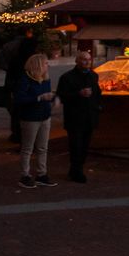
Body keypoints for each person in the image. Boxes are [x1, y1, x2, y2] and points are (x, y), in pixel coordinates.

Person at [56, 51, 101, 183]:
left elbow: (97, 93)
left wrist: (98, 106)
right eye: (83, 59)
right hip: (74, 117)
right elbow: (62, 96)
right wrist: (78, 94)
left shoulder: (93, 76)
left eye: (89, 60)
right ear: (77, 61)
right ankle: (76, 170)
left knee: (85, 145)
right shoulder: (67, 77)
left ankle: (77, 168)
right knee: (76, 145)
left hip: (89, 116)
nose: (87, 62)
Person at [14, 54, 57, 188]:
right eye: (45, 63)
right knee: (28, 148)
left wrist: (53, 99)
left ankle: (41, 174)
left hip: (44, 116)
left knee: (43, 147)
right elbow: (19, 99)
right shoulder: (25, 79)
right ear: (37, 65)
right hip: (30, 118)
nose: (47, 66)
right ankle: (25, 175)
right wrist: (39, 98)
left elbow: (47, 95)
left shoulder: (45, 79)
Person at [3, 28, 38, 144]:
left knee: (16, 113)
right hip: (26, 90)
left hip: (14, 87)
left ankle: (17, 134)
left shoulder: (13, 53)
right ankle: (25, 138)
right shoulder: (33, 61)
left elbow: (5, 67)